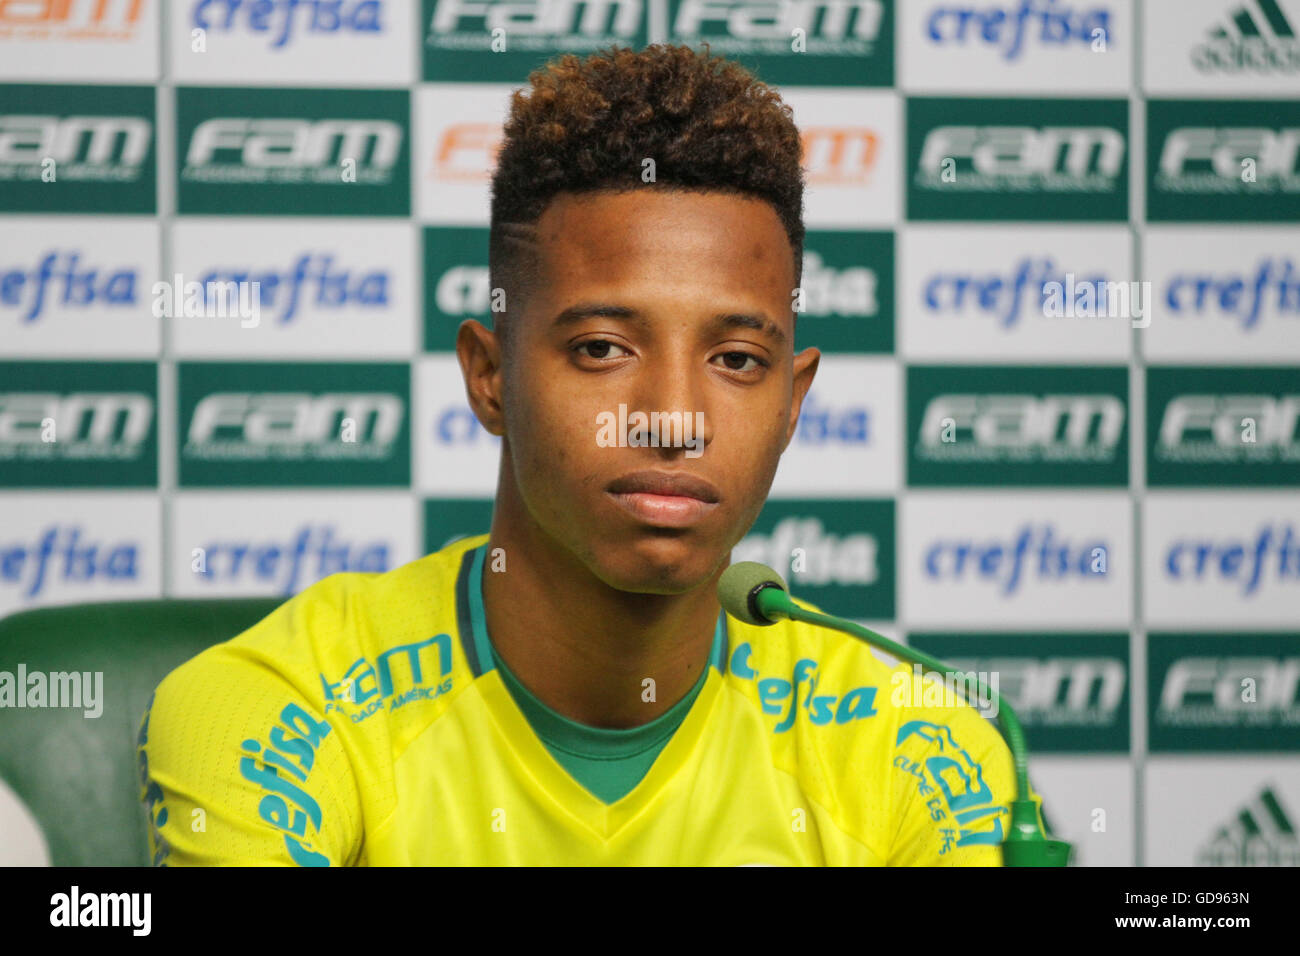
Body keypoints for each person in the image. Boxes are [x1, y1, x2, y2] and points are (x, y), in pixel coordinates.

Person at [138, 43, 1042, 865]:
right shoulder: (270, 710)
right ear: (489, 378)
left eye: (736, 361)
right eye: (604, 348)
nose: (674, 419)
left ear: (792, 401)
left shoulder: (922, 743)